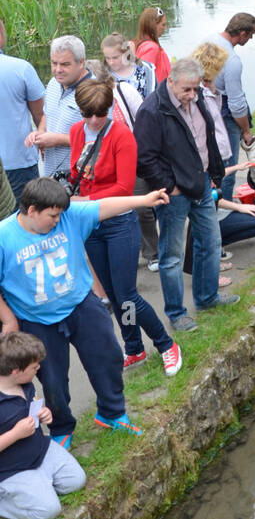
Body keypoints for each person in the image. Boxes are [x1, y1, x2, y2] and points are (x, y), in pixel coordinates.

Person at [0, 177, 170, 446]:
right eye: (51, 216)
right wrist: (8, 318)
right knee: (52, 379)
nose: (57, 221)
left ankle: (112, 413)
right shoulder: (4, 237)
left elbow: (104, 206)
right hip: (36, 319)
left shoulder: (68, 216)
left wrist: (144, 200)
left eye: (59, 215)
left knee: (109, 356)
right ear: (31, 210)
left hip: (81, 303)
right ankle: (61, 428)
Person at [69, 80, 181, 377]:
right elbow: (76, 174)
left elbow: (123, 187)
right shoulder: (76, 132)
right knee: (115, 296)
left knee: (127, 293)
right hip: (92, 223)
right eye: (87, 113)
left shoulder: (121, 136)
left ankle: (166, 344)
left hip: (119, 223)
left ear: (109, 109)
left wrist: (85, 198)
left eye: (100, 113)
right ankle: (134, 347)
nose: (94, 120)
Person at [134, 58, 238, 334]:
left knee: (211, 242)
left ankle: (207, 298)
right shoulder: (152, 111)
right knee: (171, 256)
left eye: (196, 89)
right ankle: (176, 314)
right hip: (175, 193)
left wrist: (214, 174)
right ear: (171, 81)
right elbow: (144, 158)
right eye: (187, 90)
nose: (192, 95)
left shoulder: (199, 97)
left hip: (202, 184)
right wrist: (169, 187)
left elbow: (208, 140)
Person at [0, 331, 86, 519]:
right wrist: (15, 434)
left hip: (41, 450)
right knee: (48, 511)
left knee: (76, 480)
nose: (38, 370)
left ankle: (39, 484)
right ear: (16, 371)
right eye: (34, 367)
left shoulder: (25, 384)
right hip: (11, 468)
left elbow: (32, 406)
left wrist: (44, 413)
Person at [101, 34, 159, 268]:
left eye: (115, 57)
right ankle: (140, 251)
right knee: (129, 207)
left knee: (149, 203)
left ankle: (155, 250)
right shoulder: (103, 82)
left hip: (138, 149)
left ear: (126, 52)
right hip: (114, 156)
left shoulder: (144, 72)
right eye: (107, 59)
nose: (112, 62)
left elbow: (147, 112)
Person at [202, 12, 255, 200]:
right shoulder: (232, 61)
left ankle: (209, 203)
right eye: (250, 35)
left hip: (203, 105)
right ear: (242, 33)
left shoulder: (209, 39)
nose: (250, 38)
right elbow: (236, 104)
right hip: (224, 112)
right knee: (229, 165)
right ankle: (224, 208)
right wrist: (245, 130)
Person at [28, 36, 92, 179]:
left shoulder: (95, 92)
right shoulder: (53, 83)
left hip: (81, 178)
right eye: (54, 63)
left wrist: (57, 139)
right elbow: (46, 114)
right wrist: (40, 132)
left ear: (81, 62)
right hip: (52, 176)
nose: (58, 70)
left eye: (65, 64)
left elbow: (103, 138)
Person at [0, 19, 46, 202]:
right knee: (25, 220)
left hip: (16, 162)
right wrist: (42, 141)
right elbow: (41, 115)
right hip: (18, 162)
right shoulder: (20, 68)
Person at [136, 7, 171, 83]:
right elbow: (144, 78)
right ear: (153, 26)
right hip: (157, 93)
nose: (165, 28)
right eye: (163, 25)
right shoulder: (152, 48)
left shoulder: (144, 44)